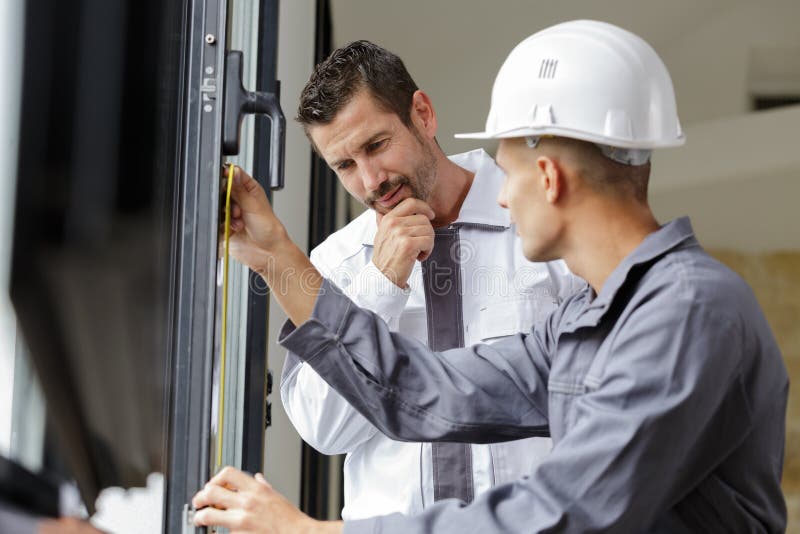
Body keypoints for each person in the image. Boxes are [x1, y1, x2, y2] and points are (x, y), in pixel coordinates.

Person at [193, 20, 788, 533]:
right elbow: (427, 392)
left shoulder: (686, 313)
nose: (499, 197)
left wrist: (313, 531)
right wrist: (277, 258)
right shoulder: (588, 320)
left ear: (549, 178)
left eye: (508, 172)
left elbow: (560, 515)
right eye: (346, 163)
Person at [277, 40, 580, 519]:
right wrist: (381, 284)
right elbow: (324, 431)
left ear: (422, 113)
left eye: (376, 146)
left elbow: (601, 392)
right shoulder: (334, 263)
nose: (371, 180)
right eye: (345, 166)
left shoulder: (543, 223)